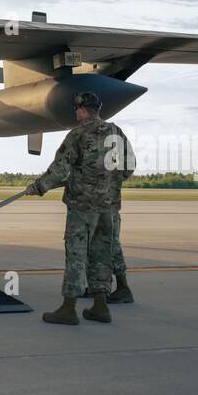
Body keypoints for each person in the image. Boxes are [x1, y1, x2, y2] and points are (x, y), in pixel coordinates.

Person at [25, 90, 135, 325]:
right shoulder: (116, 132)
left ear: (83, 110)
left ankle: (68, 308)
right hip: (108, 208)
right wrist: (108, 182)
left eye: (77, 109)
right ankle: (100, 306)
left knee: (77, 253)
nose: (76, 113)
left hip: (82, 206)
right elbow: (129, 167)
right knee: (102, 254)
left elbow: (59, 170)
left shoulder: (77, 135)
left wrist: (38, 187)